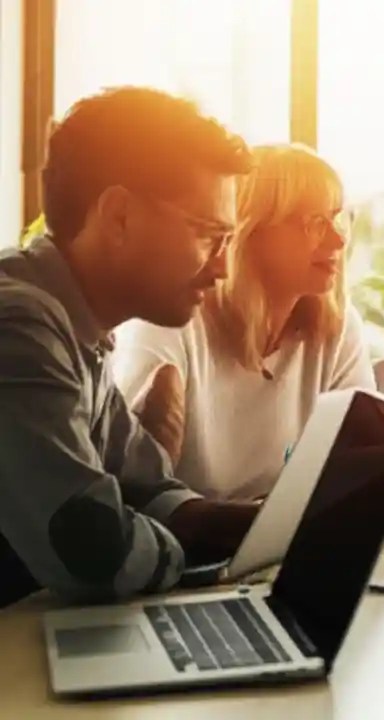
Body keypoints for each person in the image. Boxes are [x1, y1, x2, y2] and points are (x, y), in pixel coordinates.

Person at [0, 87, 261, 607]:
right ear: (118, 215)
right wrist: (199, 560)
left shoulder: (80, 329)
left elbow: (147, 486)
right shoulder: (20, 327)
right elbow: (97, 556)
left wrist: (271, 524)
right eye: (209, 234)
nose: (224, 268)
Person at [112, 143, 374, 501]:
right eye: (315, 222)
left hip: (276, 544)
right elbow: (135, 494)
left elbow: (361, 467)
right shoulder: (167, 321)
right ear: (250, 232)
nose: (338, 239)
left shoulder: (336, 327)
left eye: (337, 218)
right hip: (189, 548)